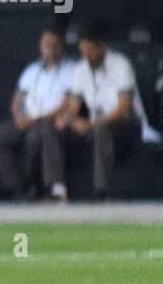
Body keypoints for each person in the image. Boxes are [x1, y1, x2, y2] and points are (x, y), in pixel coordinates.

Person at [54, 25, 142, 200]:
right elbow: (74, 106)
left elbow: (123, 107)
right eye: (83, 50)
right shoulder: (81, 69)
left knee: (103, 129)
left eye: (90, 50)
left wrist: (92, 124)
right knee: (53, 129)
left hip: (123, 123)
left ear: (101, 46)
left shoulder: (120, 64)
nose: (87, 55)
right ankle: (57, 190)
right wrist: (70, 121)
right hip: (94, 122)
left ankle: (101, 191)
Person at [0, 26, 72, 201]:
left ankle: (50, 187)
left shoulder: (70, 70)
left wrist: (36, 119)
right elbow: (17, 99)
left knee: (38, 134)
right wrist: (18, 117)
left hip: (50, 121)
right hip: (26, 120)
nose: (49, 48)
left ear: (61, 47)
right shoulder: (32, 70)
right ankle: (17, 188)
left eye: (53, 44)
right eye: (46, 44)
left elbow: (67, 104)